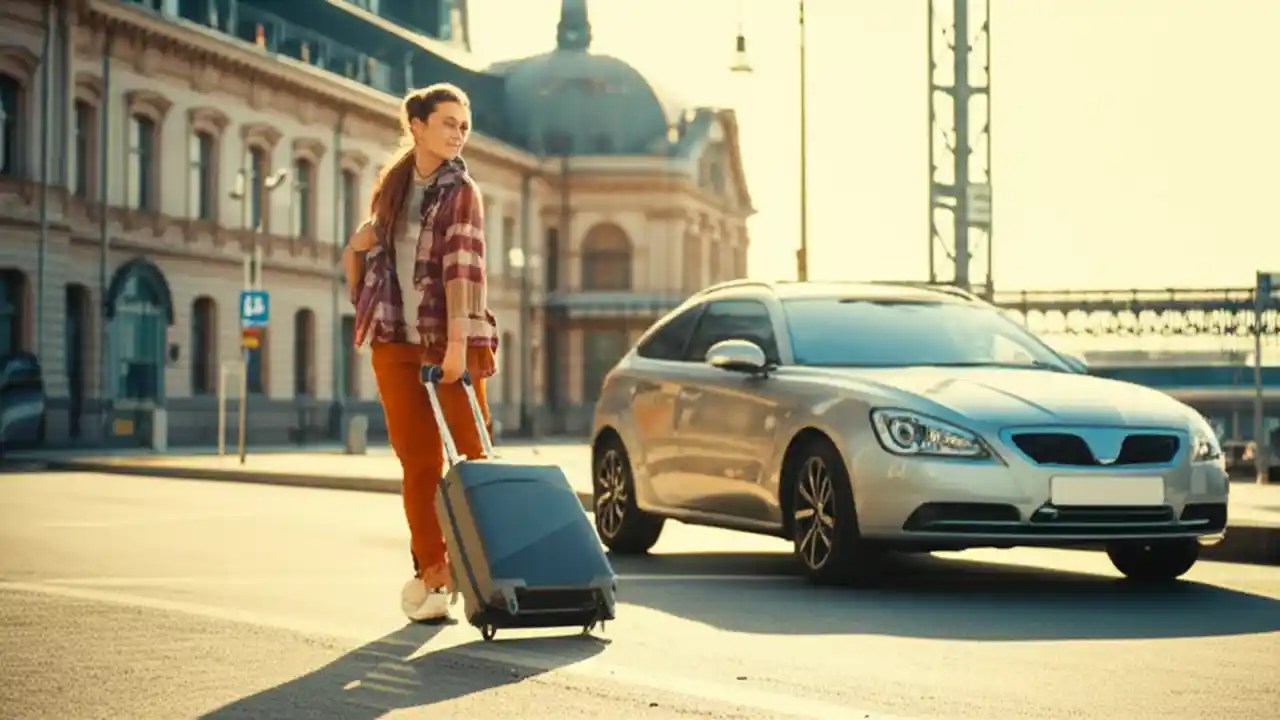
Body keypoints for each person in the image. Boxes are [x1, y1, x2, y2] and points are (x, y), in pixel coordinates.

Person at [342, 82, 500, 622]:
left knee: (473, 462)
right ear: (417, 125)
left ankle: (485, 569)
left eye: (464, 124)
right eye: (448, 122)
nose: (459, 133)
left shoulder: (463, 191)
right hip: (395, 343)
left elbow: (464, 274)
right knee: (418, 464)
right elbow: (361, 267)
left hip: (448, 344)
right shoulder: (392, 188)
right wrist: (353, 250)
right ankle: (432, 574)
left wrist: (456, 346)